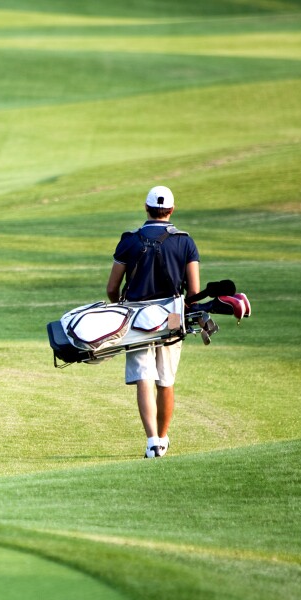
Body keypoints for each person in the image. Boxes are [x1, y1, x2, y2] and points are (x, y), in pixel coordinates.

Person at [105, 186, 199, 458]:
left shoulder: (129, 240)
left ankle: (152, 441)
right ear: (171, 210)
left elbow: (112, 288)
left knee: (144, 376)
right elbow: (193, 291)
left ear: (146, 208)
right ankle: (164, 437)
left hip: (136, 315)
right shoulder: (185, 242)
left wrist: (118, 309)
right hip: (171, 315)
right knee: (165, 379)